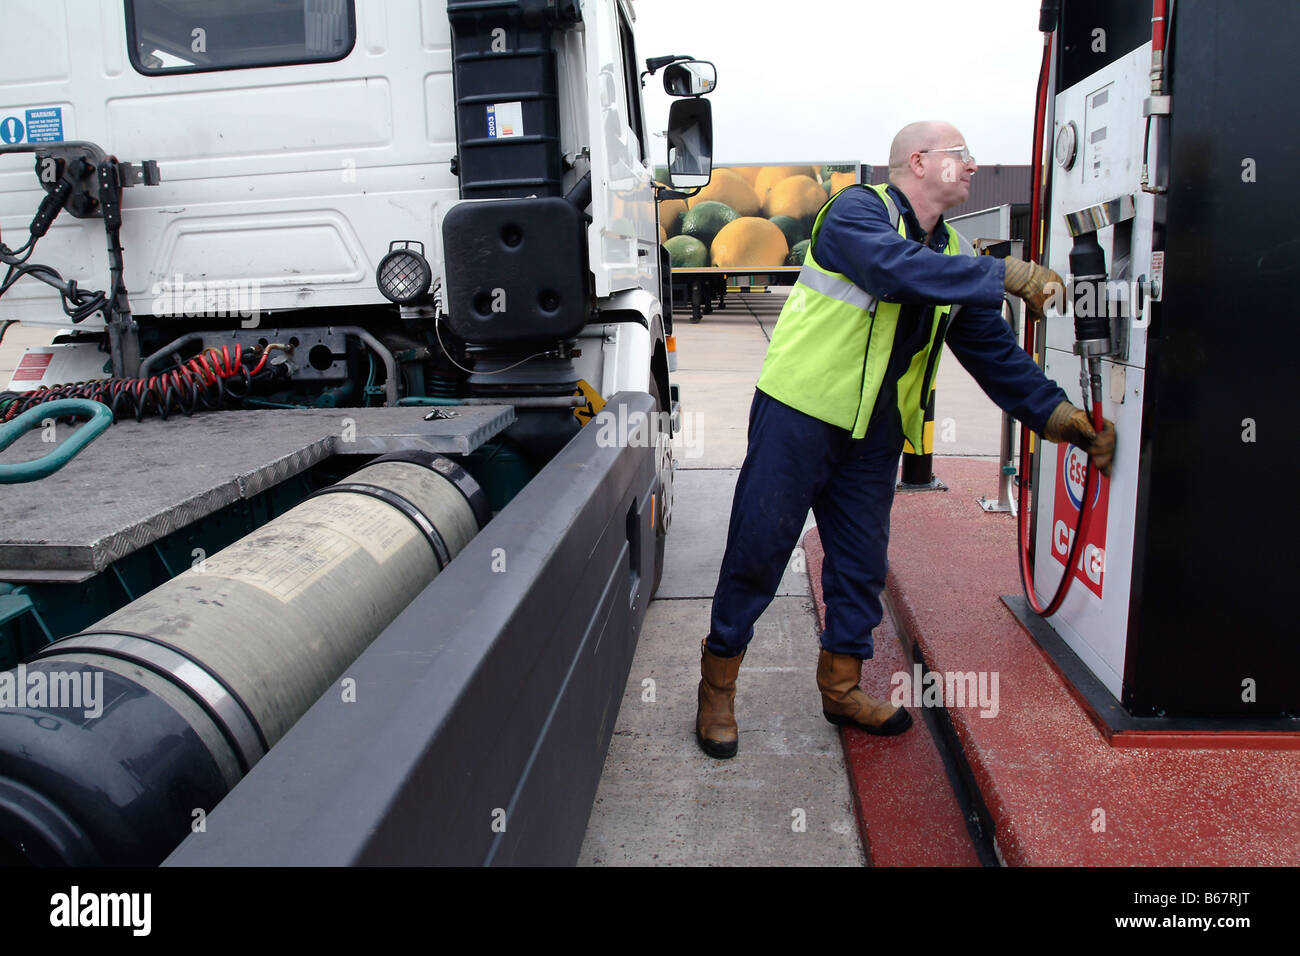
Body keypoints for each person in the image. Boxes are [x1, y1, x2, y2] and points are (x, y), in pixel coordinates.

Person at [696, 121, 1116, 759]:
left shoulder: (951, 250)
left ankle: (842, 688)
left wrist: (1058, 418)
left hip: (875, 433)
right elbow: (891, 271)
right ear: (919, 162)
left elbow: (994, 355)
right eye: (962, 156)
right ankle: (717, 688)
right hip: (799, 414)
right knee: (758, 549)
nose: (974, 167)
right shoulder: (856, 212)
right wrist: (998, 272)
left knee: (861, 565)